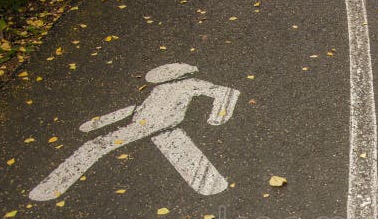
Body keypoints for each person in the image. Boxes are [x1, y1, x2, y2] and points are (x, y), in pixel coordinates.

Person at [30, 63, 239, 201]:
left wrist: (218, 116)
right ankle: (212, 185)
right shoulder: (160, 89)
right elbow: (136, 109)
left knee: (95, 146)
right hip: (154, 124)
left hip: (150, 124)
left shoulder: (189, 83)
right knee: (179, 149)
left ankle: (52, 187)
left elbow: (225, 92)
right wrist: (101, 121)